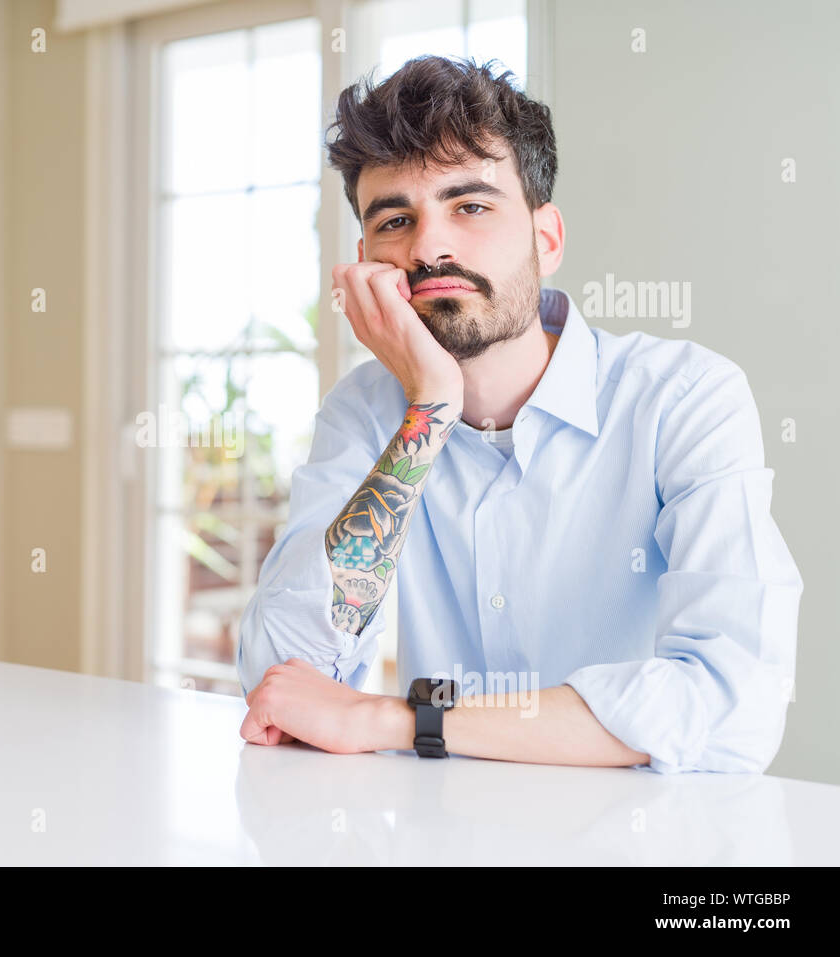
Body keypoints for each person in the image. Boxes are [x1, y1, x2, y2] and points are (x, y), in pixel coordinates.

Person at [235, 55, 802, 773]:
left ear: (547, 238)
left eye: (470, 206)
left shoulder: (685, 399)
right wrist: (430, 410)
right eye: (395, 219)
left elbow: (733, 704)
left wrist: (405, 720)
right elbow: (281, 683)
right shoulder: (366, 414)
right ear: (365, 259)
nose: (429, 246)